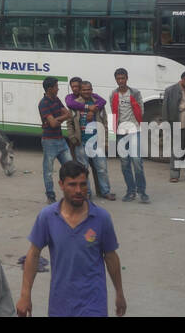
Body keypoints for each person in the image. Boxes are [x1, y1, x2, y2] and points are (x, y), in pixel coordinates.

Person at [16, 161, 127, 318]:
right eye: (72, 185)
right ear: (61, 185)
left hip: (93, 304)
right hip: (60, 304)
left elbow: (111, 257)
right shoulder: (47, 217)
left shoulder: (101, 218)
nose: (78, 190)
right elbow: (33, 255)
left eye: (83, 185)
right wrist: (25, 295)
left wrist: (119, 293)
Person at [67, 79, 116, 201]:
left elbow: (105, 123)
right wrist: (72, 137)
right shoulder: (75, 104)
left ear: (92, 90)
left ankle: (106, 191)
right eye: (84, 90)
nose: (86, 92)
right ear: (81, 91)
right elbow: (70, 123)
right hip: (81, 143)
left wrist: (106, 141)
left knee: (102, 168)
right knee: (83, 170)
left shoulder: (98, 105)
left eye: (89, 89)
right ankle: (86, 193)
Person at [109, 68, 149, 203]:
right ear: (115, 79)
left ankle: (142, 192)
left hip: (134, 130)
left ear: (127, 78)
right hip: (121, 133)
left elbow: (141, 109)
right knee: (124, 164)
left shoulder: (135, 93)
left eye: (123, 78)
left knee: (137, 161)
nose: (121, 81)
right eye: (118, 78)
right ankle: (130, 191)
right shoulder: (113, 94)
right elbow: (113, 113)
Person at [38, 76, 74, 203]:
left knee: (71, 168)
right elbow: (54, 123)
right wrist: (59, 118)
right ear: (50, 89)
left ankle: (70, 192)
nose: (58, 89)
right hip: (49, 141)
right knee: (48, 171)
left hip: (60, 140)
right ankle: (50, 196)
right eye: (56, 86)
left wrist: (56, 119)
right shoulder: (43, 103)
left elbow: (67, 114)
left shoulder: (56, 99)